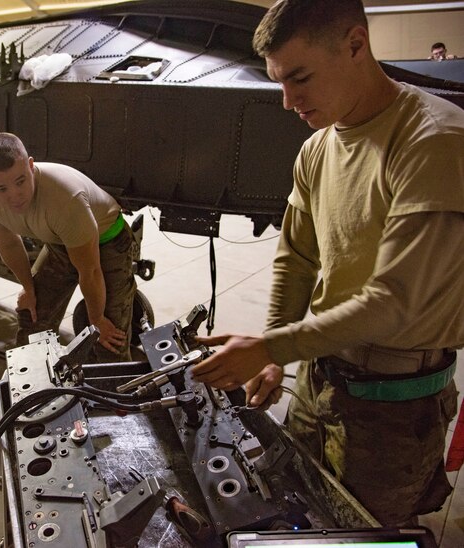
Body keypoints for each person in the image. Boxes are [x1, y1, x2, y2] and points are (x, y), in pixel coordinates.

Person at [190, 0, 464, 526]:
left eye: (300, 78)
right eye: (279, 82)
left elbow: (394, 303)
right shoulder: (317, 149)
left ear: (356, 45)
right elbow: (296, 258)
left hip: (393, 404)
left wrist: (272, 346)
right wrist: (274, 354)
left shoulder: (432, 142)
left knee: (365, 530)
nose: (287, 101)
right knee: (302, 509)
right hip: (320, 376)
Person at [0, 132, 137, 361]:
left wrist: (97, 318)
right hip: (60, 242)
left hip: (107, 241)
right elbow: (8, 243)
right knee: (32, 318)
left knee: (109, 340)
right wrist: (28, 288)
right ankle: (37, 383)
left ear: (31, 166)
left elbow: (90, 270)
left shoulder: (65, 198)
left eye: (20, 181)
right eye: (1, 189)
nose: (14, 196)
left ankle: (116, 381)